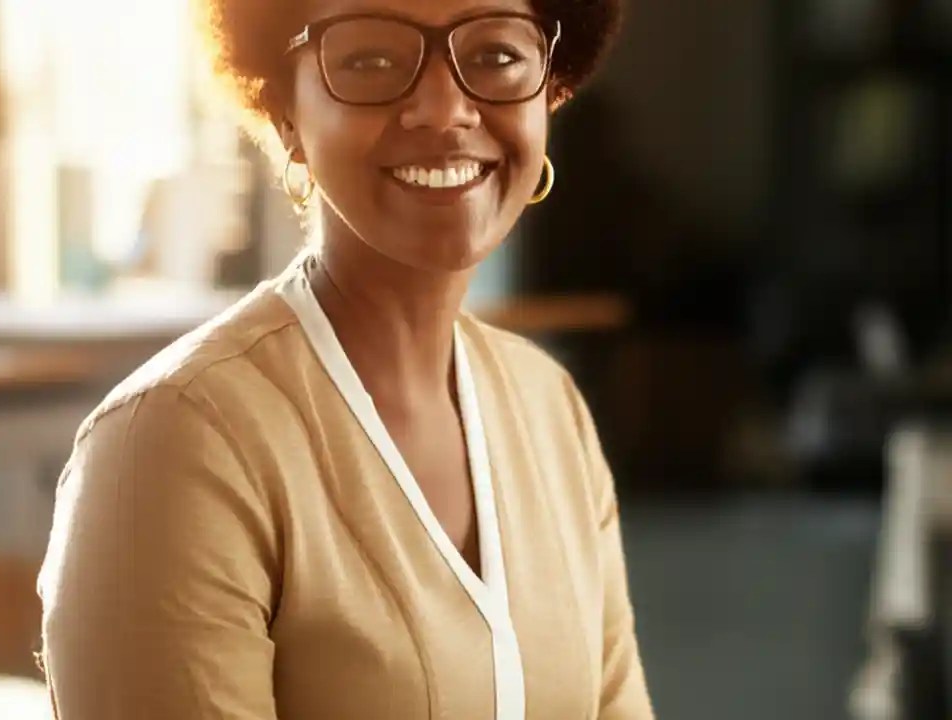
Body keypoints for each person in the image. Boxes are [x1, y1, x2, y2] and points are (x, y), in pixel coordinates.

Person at [38, 0, 654, 717]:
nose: (444, 109)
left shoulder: (550, 411)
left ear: (551, 88)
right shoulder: (178, 443)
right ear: (284, 112)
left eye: (494, 55)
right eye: (370, 60)